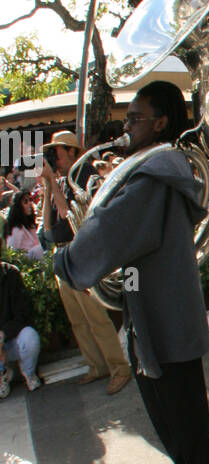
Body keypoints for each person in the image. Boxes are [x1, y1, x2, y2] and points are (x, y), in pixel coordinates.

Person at [53, 82, 209, 464]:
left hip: (165, 309)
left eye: (134, 118)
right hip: (144, 305)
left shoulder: (154, 176)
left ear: (162, 122)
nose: (125, 126)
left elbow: (112, 231)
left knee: (182, 406)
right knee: (158, 402)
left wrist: (69, 257)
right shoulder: (148, 171)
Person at [39, 130, 131, 394]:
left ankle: (119, 368)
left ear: (72, 152)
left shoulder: (84, 177)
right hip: (62, 253)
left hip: (80, 253)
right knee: (78, 319)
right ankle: (97, 366)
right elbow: (47, 228)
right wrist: (47, 185)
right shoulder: (59, 181)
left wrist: (53, 185)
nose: (52, 157)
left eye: (56, 151)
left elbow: (70, 215)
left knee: (95, 316)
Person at [0, 257, 42, 394]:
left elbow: (23, 313)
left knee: (30, 337)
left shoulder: (10, 273)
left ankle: (28, 372)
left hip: (12, 336)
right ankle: (3, 374)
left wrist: (3, 334)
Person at [4, 189, 44, 260]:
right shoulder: (16, 230)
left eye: (30, 200)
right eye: (25, 201)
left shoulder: (29, 225)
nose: (30, 203)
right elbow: (13, 255)